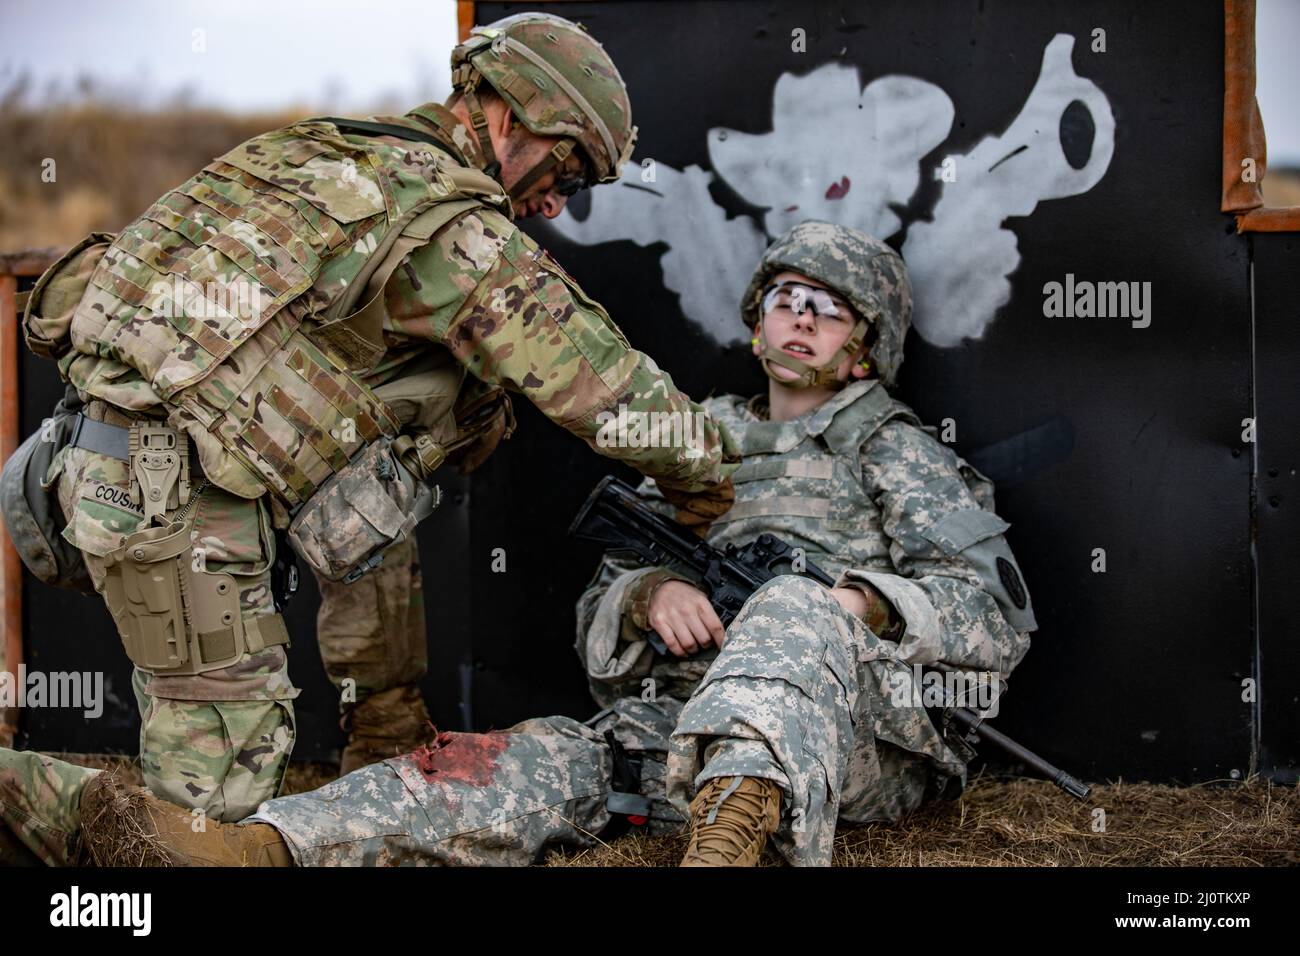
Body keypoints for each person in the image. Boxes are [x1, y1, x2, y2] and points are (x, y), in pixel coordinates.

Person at [0, 220, 1037, 868]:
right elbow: (601, 606)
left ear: (868, 342)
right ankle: (256, 845)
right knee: (506, 762)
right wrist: (645, 597)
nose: (802, 322)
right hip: (669, 730)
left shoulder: (888, 448)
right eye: (786, 300)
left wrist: (854, 602)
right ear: (756, 315)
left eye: (831, 311)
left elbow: (993, 616)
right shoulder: (694, 435)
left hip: (853, 746)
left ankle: (730, 837)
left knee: (794, 603)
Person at [9, 10, 736, 831]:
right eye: (566, 173)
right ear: (507, 118)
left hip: (94, 457)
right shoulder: (457, 232)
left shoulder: (320, 150)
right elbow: (607, 388)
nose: (558, 206)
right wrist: (712, 482)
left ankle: (385, 735)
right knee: (202, 820)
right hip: (175, 500)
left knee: (390, 461)